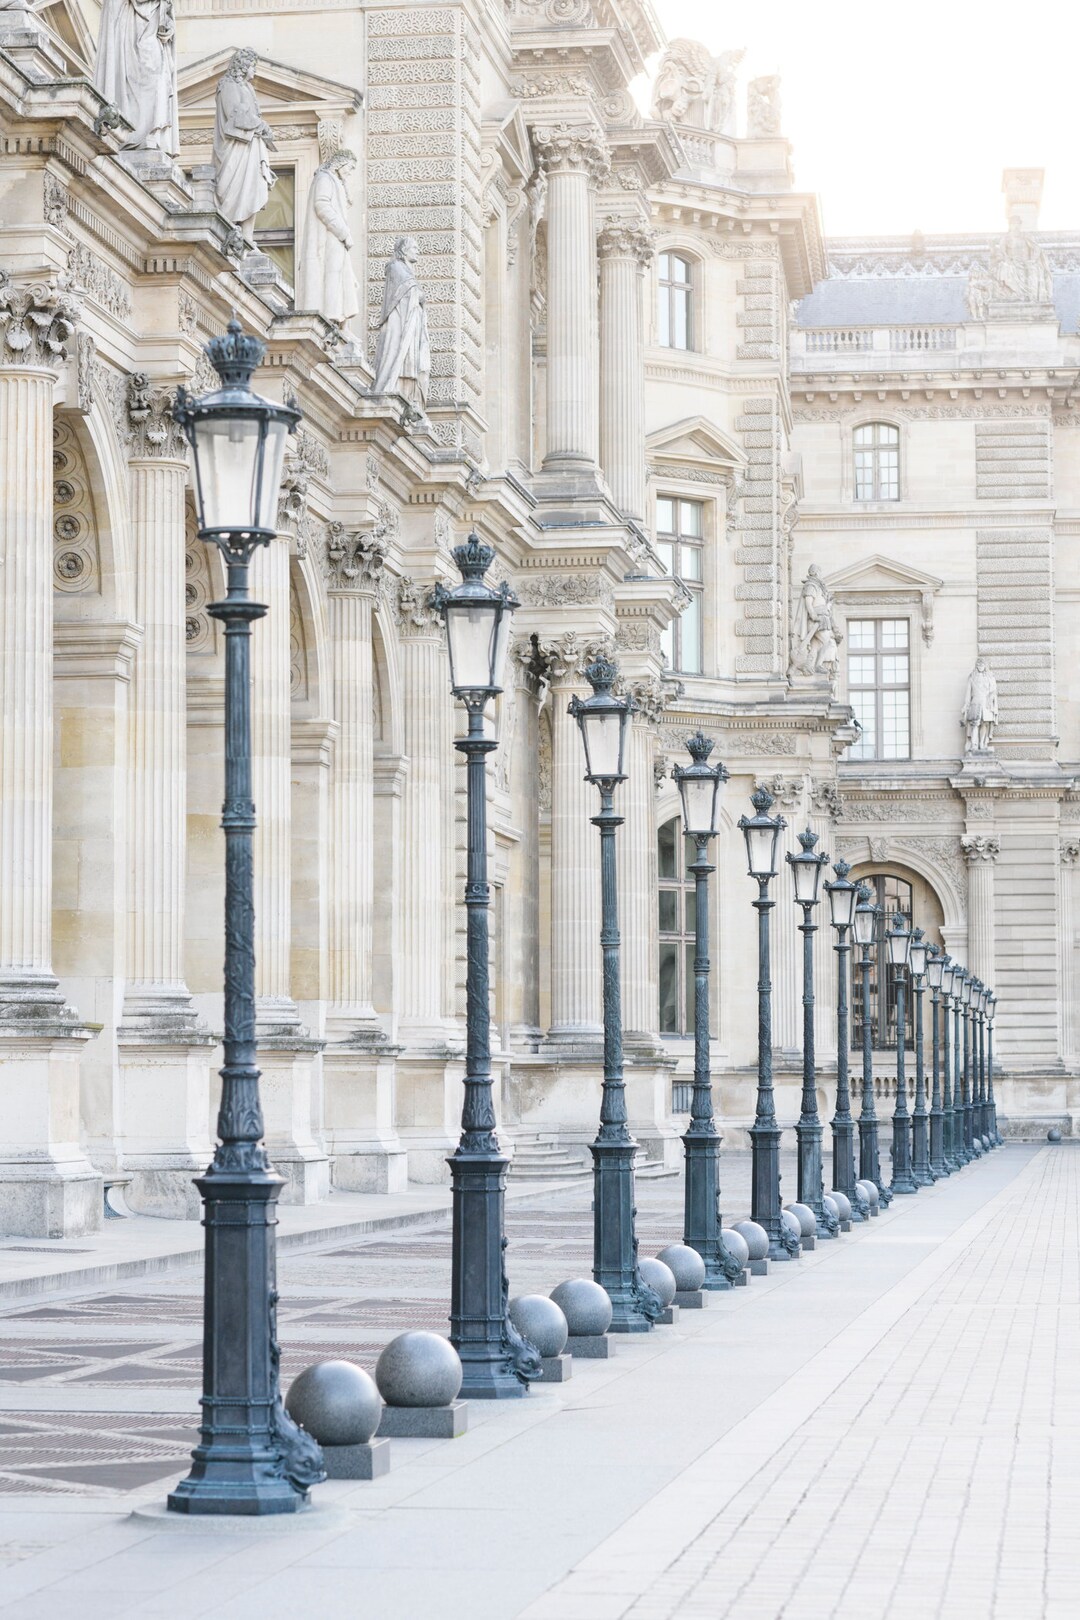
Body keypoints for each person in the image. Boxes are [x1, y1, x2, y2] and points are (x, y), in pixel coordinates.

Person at [93, 0, 178, 159]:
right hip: (128, 30)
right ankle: (135, 136)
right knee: (147, 80)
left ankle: (150, 135)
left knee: (158, 81)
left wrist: (168, 18)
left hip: (150, 29)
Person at [213, 48, 275, 242]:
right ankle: (228, 232)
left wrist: (261, 127)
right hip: (236, 149)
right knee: (234, 189)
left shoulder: (248, 88)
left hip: (252, 147)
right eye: (253, 66)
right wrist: (260, 124)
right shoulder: (228, 86)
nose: (254, 71)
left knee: (254, 188)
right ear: (243, 66)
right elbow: (234, 116)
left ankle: (247, 237)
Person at [297, 150, 360, 327]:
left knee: (340, 278)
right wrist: (343, 232)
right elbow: (322, 205)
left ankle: (338, 323)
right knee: (333, 277)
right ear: (340, 163)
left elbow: (347, 201)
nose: (350, 171)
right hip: (328, 240)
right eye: (350, 167)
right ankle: (331, 321)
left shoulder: (334, 180)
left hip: (335, 239)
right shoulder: (324, 178)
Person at [371, 236, 431, 408]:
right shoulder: (395, 267)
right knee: (397, 355)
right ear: (404, 250)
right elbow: (408, 290)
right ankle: (394, 387)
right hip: (400, 323)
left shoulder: (406, 270)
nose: (417, 250)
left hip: (411, 323)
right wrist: (418, 295)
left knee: (411, 359)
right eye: (414, 247)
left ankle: (408, 396)